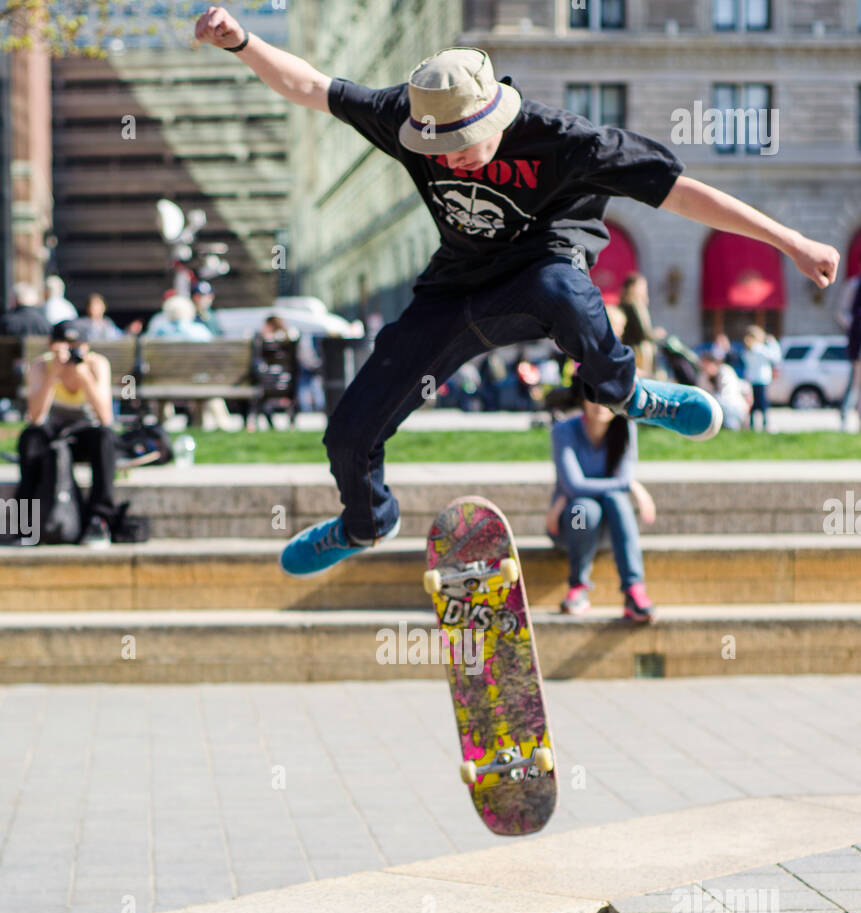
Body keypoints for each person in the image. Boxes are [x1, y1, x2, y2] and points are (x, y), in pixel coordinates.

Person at [193, 8, 839, 576]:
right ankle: (365, 522)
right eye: (435, 150)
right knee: (349, 432)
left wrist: (788, 241)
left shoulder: (569, 141)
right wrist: (241, 41)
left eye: (462, 146)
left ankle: (624, 391)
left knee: (562, 286)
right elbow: (310, 86)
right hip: (455, 293)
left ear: (494, 115)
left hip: (540, 274)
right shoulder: (408, 114)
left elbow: (682, 193)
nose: (448, 160)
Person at [546, 377, 655, 622]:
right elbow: (574, 484)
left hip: (610, 530)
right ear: (582, 400)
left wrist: (574, 492)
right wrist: (629, 485)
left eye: (608, 399)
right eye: (593, 397)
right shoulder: (564, 431)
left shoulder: (626, 429)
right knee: (583, 509)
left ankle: (634, 591)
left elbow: (577, 486)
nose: (600, 404)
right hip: (571, 527)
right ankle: (578, 586)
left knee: (617, 501)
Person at [17, 320, 118, 546]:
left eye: (76, 345)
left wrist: (84, 378)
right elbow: (35, 417)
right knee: (30, 437)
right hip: (53, 435)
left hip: (85, 435)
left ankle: (99, 518)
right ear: (52, 346)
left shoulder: (96, 364)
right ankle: (25, 522)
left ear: (87, 346)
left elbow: (106, 418)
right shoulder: (42, 366)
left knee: (106, 438)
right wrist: (54, 376)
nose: (70, 351)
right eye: (64, 345)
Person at [619, 273, 665, 377]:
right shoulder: (631, 306)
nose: (644, 290)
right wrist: (656, 334)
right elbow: (642, 333)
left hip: (639, 350)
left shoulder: (636, 305)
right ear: (632, 287)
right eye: (641, 287)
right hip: (637, 351)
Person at [740, 324, 781, 431]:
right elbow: (775, 357)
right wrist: (773, 343)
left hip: (752, 378)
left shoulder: (748, 350)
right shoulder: (760, 349)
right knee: (763, 403)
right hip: (761, 379)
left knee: (754, 403)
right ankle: (764, 424)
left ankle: (752, 423)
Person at [837, 273, 861, 431]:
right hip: (859, 338)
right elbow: (842, 312)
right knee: (857, 383)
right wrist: (855, 325)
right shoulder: (855, 284)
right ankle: (846, 418)